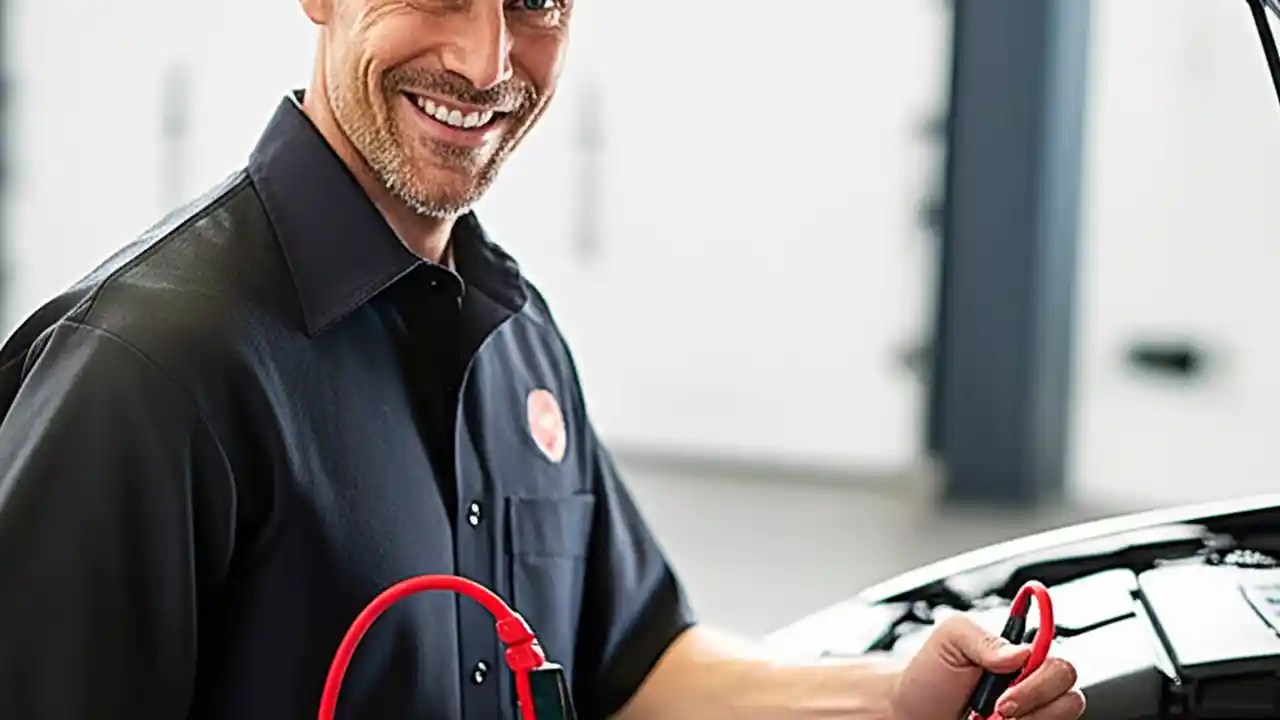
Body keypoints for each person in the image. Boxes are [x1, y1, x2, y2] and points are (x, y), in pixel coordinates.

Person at [0, 1, 1085, 718]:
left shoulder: (514, 335)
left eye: (534, 0)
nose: (485, 61)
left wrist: (893, 696)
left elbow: (637, 666)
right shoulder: (142, 374)